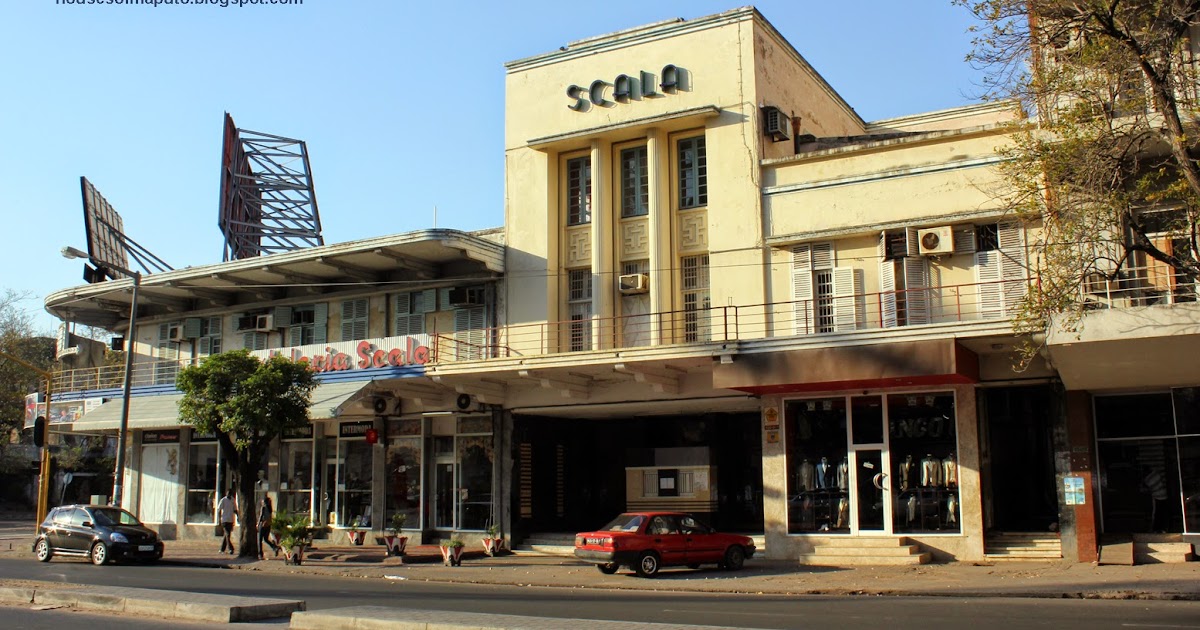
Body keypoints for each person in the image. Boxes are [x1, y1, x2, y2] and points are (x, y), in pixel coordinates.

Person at [217, 489, 238, 555]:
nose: (229, 495)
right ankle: (231, 549)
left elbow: (235, 509)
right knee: (227, 534)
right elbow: (219, 509)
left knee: (227, 535)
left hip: (230, 520)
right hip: (224, 520)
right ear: (226, 493)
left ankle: (222, 549)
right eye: (228, 493)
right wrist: (219, 518)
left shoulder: (233, 500)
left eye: (230, 493)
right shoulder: (223, 500)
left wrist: (237, 516)